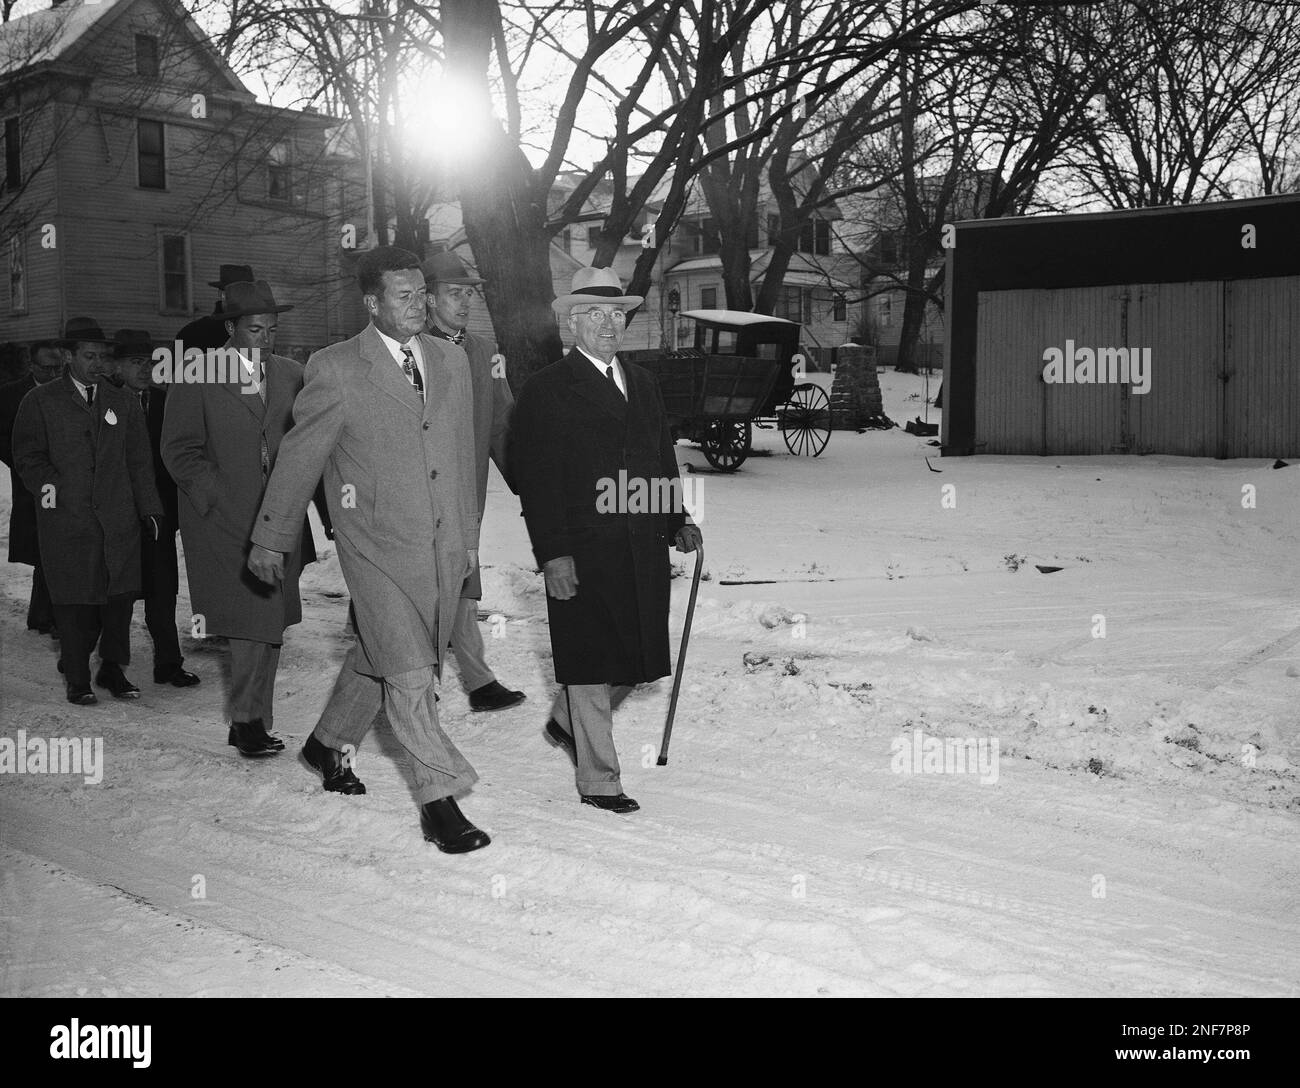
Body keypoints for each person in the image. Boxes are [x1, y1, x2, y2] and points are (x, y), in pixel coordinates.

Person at [246, 246, 488, 854]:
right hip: (373, 547)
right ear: (372, 302)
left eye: (420, 294)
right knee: (410, 673)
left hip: (438, 546)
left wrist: (466, 543)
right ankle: (440, 803)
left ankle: (327, 743)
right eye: (403, 296)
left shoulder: (449, 362)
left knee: (379, 657)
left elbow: (460, 460)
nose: (418, 306)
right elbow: (300, 456)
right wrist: (271, 536)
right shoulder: (337, 368)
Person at [509, 267, 702, 814]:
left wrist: (675, 519)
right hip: (581, 548)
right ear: (572, 323)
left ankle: (567, 720)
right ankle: (600, 779)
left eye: (617, 313)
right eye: (594, 313)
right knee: (590, 659)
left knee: (635, 658)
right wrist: (553, 554)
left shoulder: (642, 383)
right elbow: (538, 483)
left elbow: (660, 458)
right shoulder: (546, 390)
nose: (609, 324)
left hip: (640, 544)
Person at [161, 281, 307, 755]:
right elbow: (178, 451)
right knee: (249, 622)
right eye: (254, 329)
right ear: (231, 327)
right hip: (225, 524)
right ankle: (247, 722)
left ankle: (254, 719)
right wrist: (220, 497)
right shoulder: (196, 373)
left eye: (271, 330)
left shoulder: (291, 374)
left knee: (271, 624)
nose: (265, 338)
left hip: (280, 521)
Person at [12, 318, 162, 705]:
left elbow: (139, 463)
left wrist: (150, 510)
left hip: (118, 521)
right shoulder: (40, 401)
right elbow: (27, 458)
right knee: (75, 602)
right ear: (68, 356)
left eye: (104, 357)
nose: (98, 364)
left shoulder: (123, 402)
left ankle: (113, 669)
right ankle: (77, 679)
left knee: (118, 600)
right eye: (90, 356)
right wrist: (54, 492)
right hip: (68, 521)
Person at [422, 250, 524, 713]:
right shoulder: (407, 350)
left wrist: (529, 483)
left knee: (462, 579)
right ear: (427, 298)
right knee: (422, 585)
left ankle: (476, 680)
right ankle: (418, 679)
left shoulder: (484, 352)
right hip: (417, 493)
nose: (465, 302)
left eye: (469, 293)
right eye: (454, 293)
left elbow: (503, 423)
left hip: (467, 495)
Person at [112, 329, 199, 688]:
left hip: (159, 516)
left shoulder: (166, 402)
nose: (145, 370)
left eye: (149, 363)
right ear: (116, 366)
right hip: (116, 517)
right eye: (135, 363)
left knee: (163, 592)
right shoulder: (105, 403)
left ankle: (168, 663)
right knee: (116, 595)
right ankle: (110, 666)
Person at [0, 341, 64, 637]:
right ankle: (43, 614)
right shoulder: (10, 394)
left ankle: (45, 614)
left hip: (65, 479)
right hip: (29, 484)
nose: (52, 373)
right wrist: (27, 464)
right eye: (45, 368)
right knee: (41, 545)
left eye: (57, 367)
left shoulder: (67, 390)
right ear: (31, 366)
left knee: (56, 546)